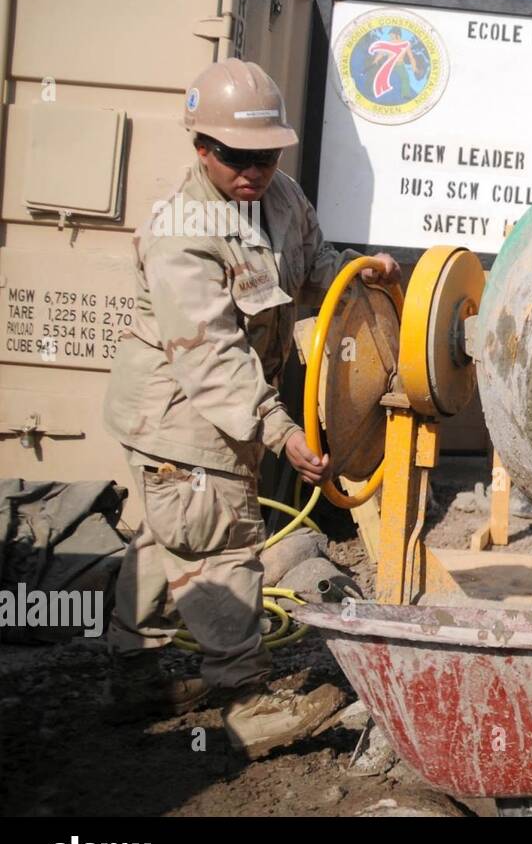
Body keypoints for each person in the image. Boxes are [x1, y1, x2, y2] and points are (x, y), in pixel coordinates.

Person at [103, 58, 401, 758]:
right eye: (236, 156)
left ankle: (132, 681)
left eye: (266, 155)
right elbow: (209, 357)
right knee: (223, 544)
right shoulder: (182, 233)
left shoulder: (282, 197)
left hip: (221, 405)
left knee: (162, 541)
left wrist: (363, 271)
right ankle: (245, 703)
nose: (254, 170)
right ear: (200, 148)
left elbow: (314, 265)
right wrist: (280, 430)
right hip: (182, 411)